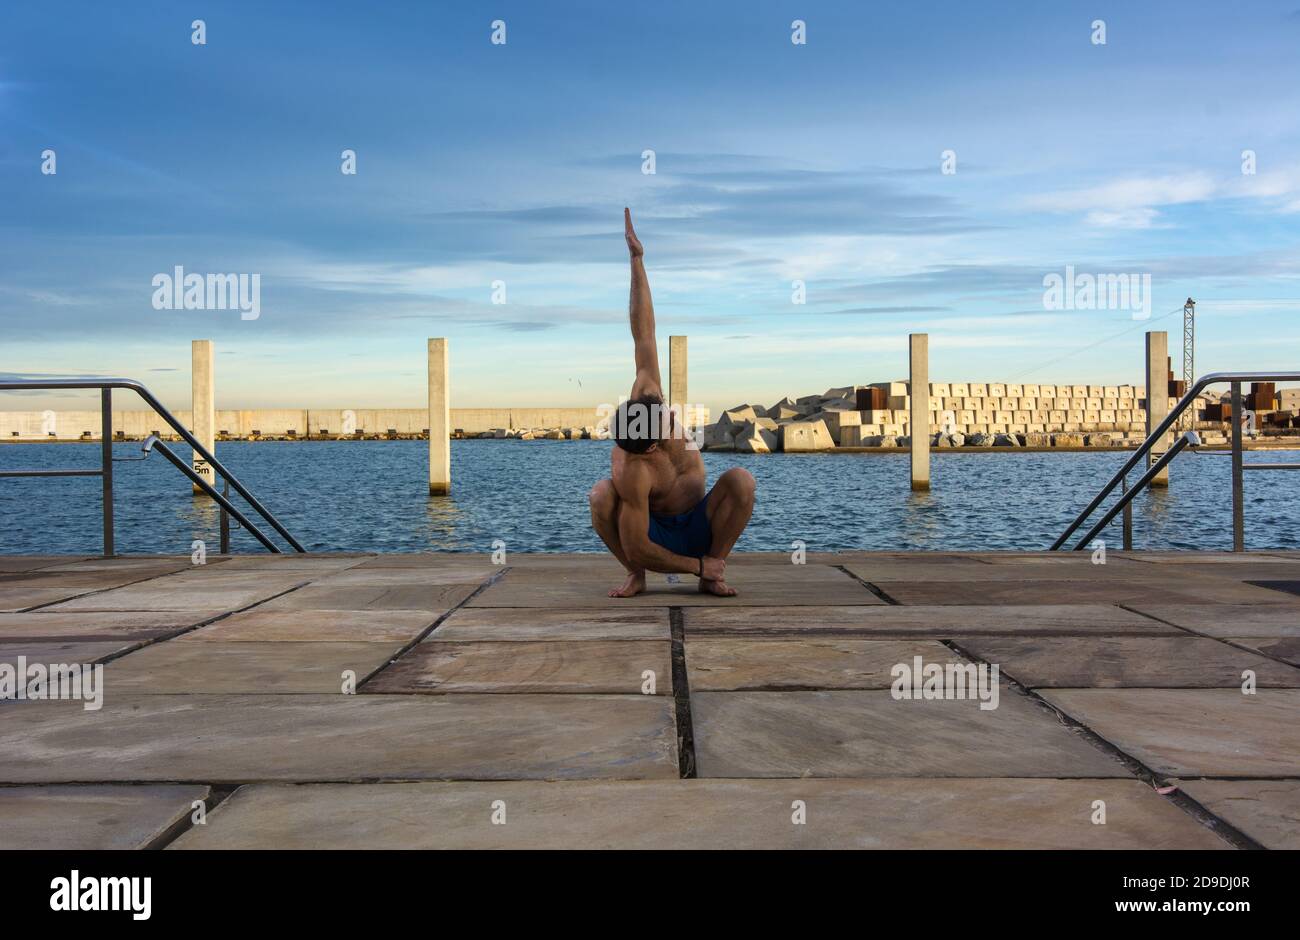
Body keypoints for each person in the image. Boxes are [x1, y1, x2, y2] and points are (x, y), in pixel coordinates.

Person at [588, 209, 756, 598]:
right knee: (600, 495)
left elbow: (643, 330)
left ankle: (714, 572)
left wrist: (637, 261)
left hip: (700, 521)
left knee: (741, 480)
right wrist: (691, 565)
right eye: (665, 425)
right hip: (654, 533)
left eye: (663, 414)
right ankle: (639, 577)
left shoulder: (648, 394)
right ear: (648, 447)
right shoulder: (633, 470)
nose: (672, 418)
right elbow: (637, 544)